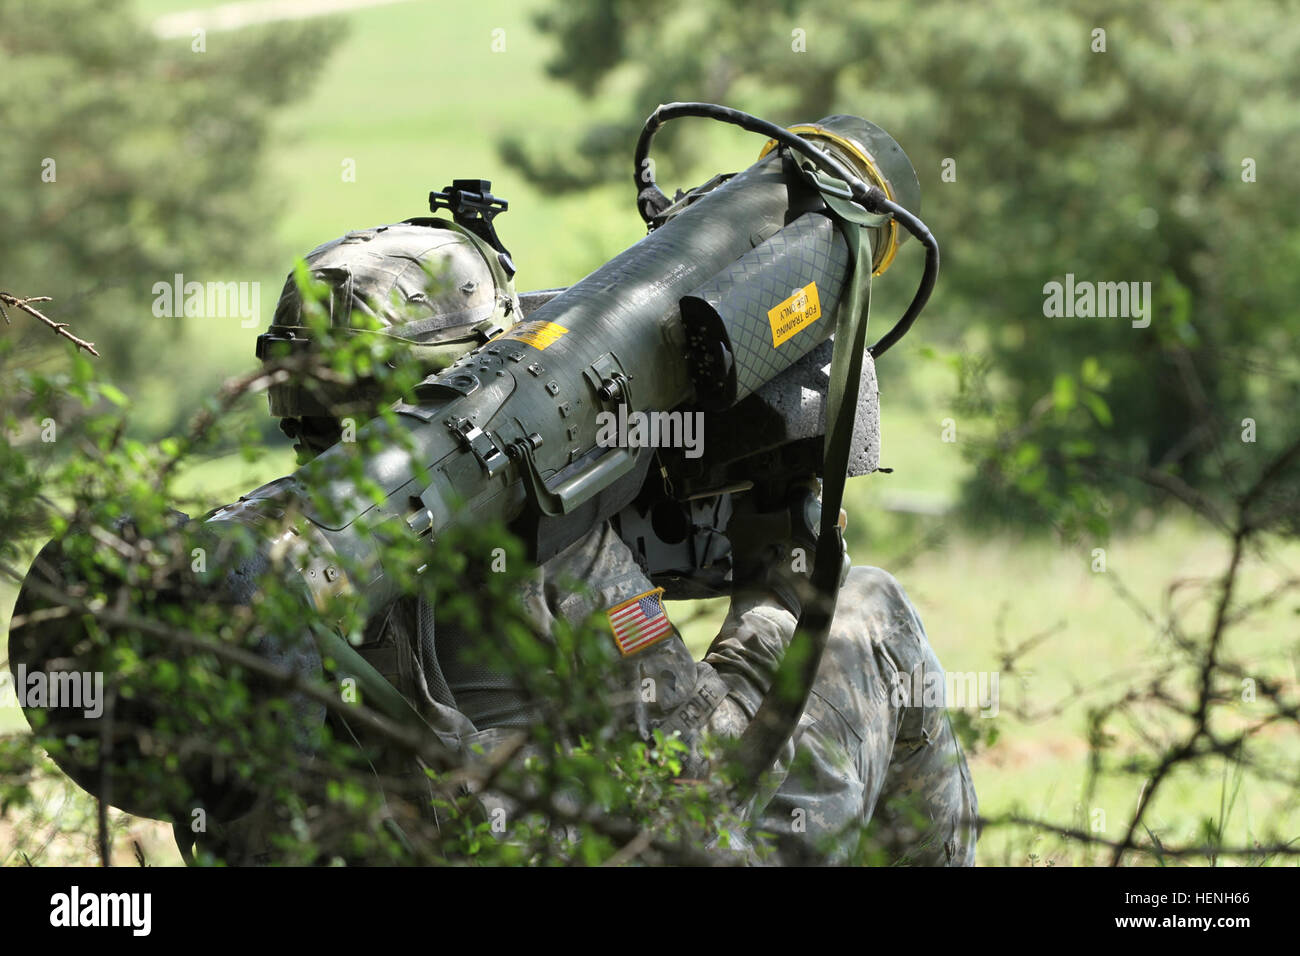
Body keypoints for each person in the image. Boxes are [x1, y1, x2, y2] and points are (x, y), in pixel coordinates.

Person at [217, 210, 979, 866]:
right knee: (867, 609)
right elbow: (700, 781)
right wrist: (777, 595)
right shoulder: (543, 550)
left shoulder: (250, 577)